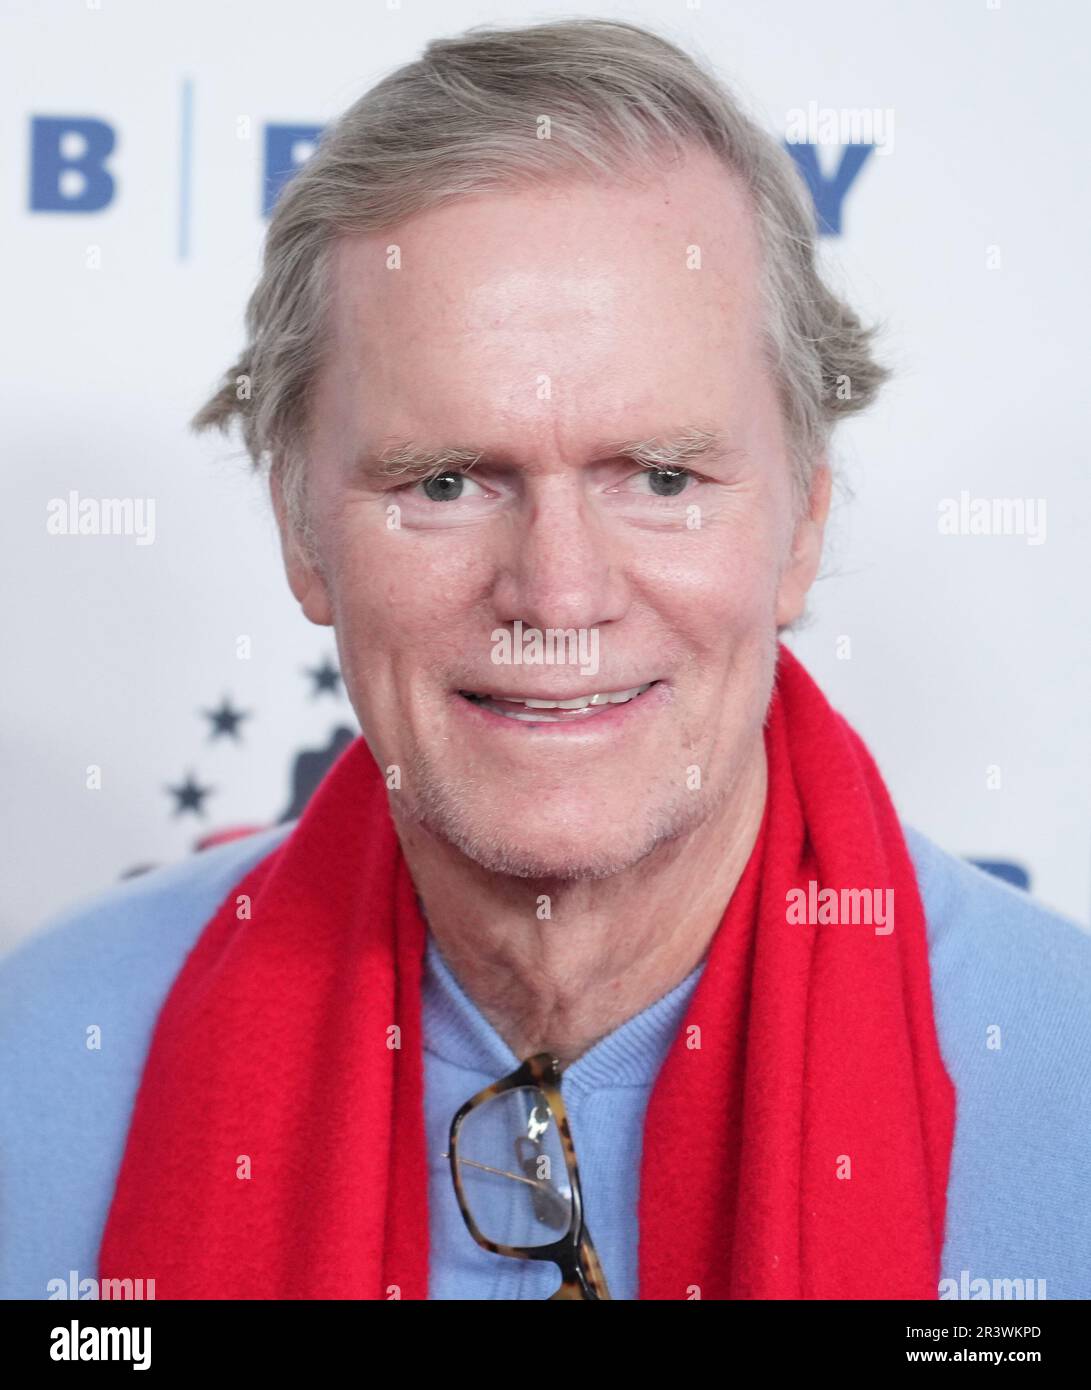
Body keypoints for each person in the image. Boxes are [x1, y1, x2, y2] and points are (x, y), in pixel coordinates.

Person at [2, 17, 1088, 1302]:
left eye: (663, 476)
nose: (556, 594)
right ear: (300, 529)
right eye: (447, 481)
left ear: (801, 522)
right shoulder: (40, 1060)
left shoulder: (1060, 1072)